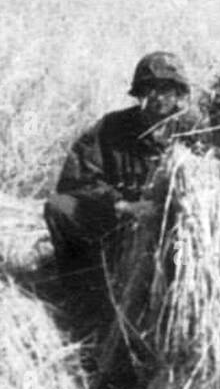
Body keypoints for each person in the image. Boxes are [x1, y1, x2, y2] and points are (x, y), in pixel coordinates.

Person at [45, 52, 200, 282]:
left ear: (178, 93)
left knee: (184, 246)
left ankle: (179, 291)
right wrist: (121, 205)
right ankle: (81, 292)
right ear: (139, 94)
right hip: (121, 224)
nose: (157, 97)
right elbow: (76, 180)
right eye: (149, 89)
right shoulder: (112, 127)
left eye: (166, 89)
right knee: (59, 208)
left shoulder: (194, 130)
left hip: (174, 227)